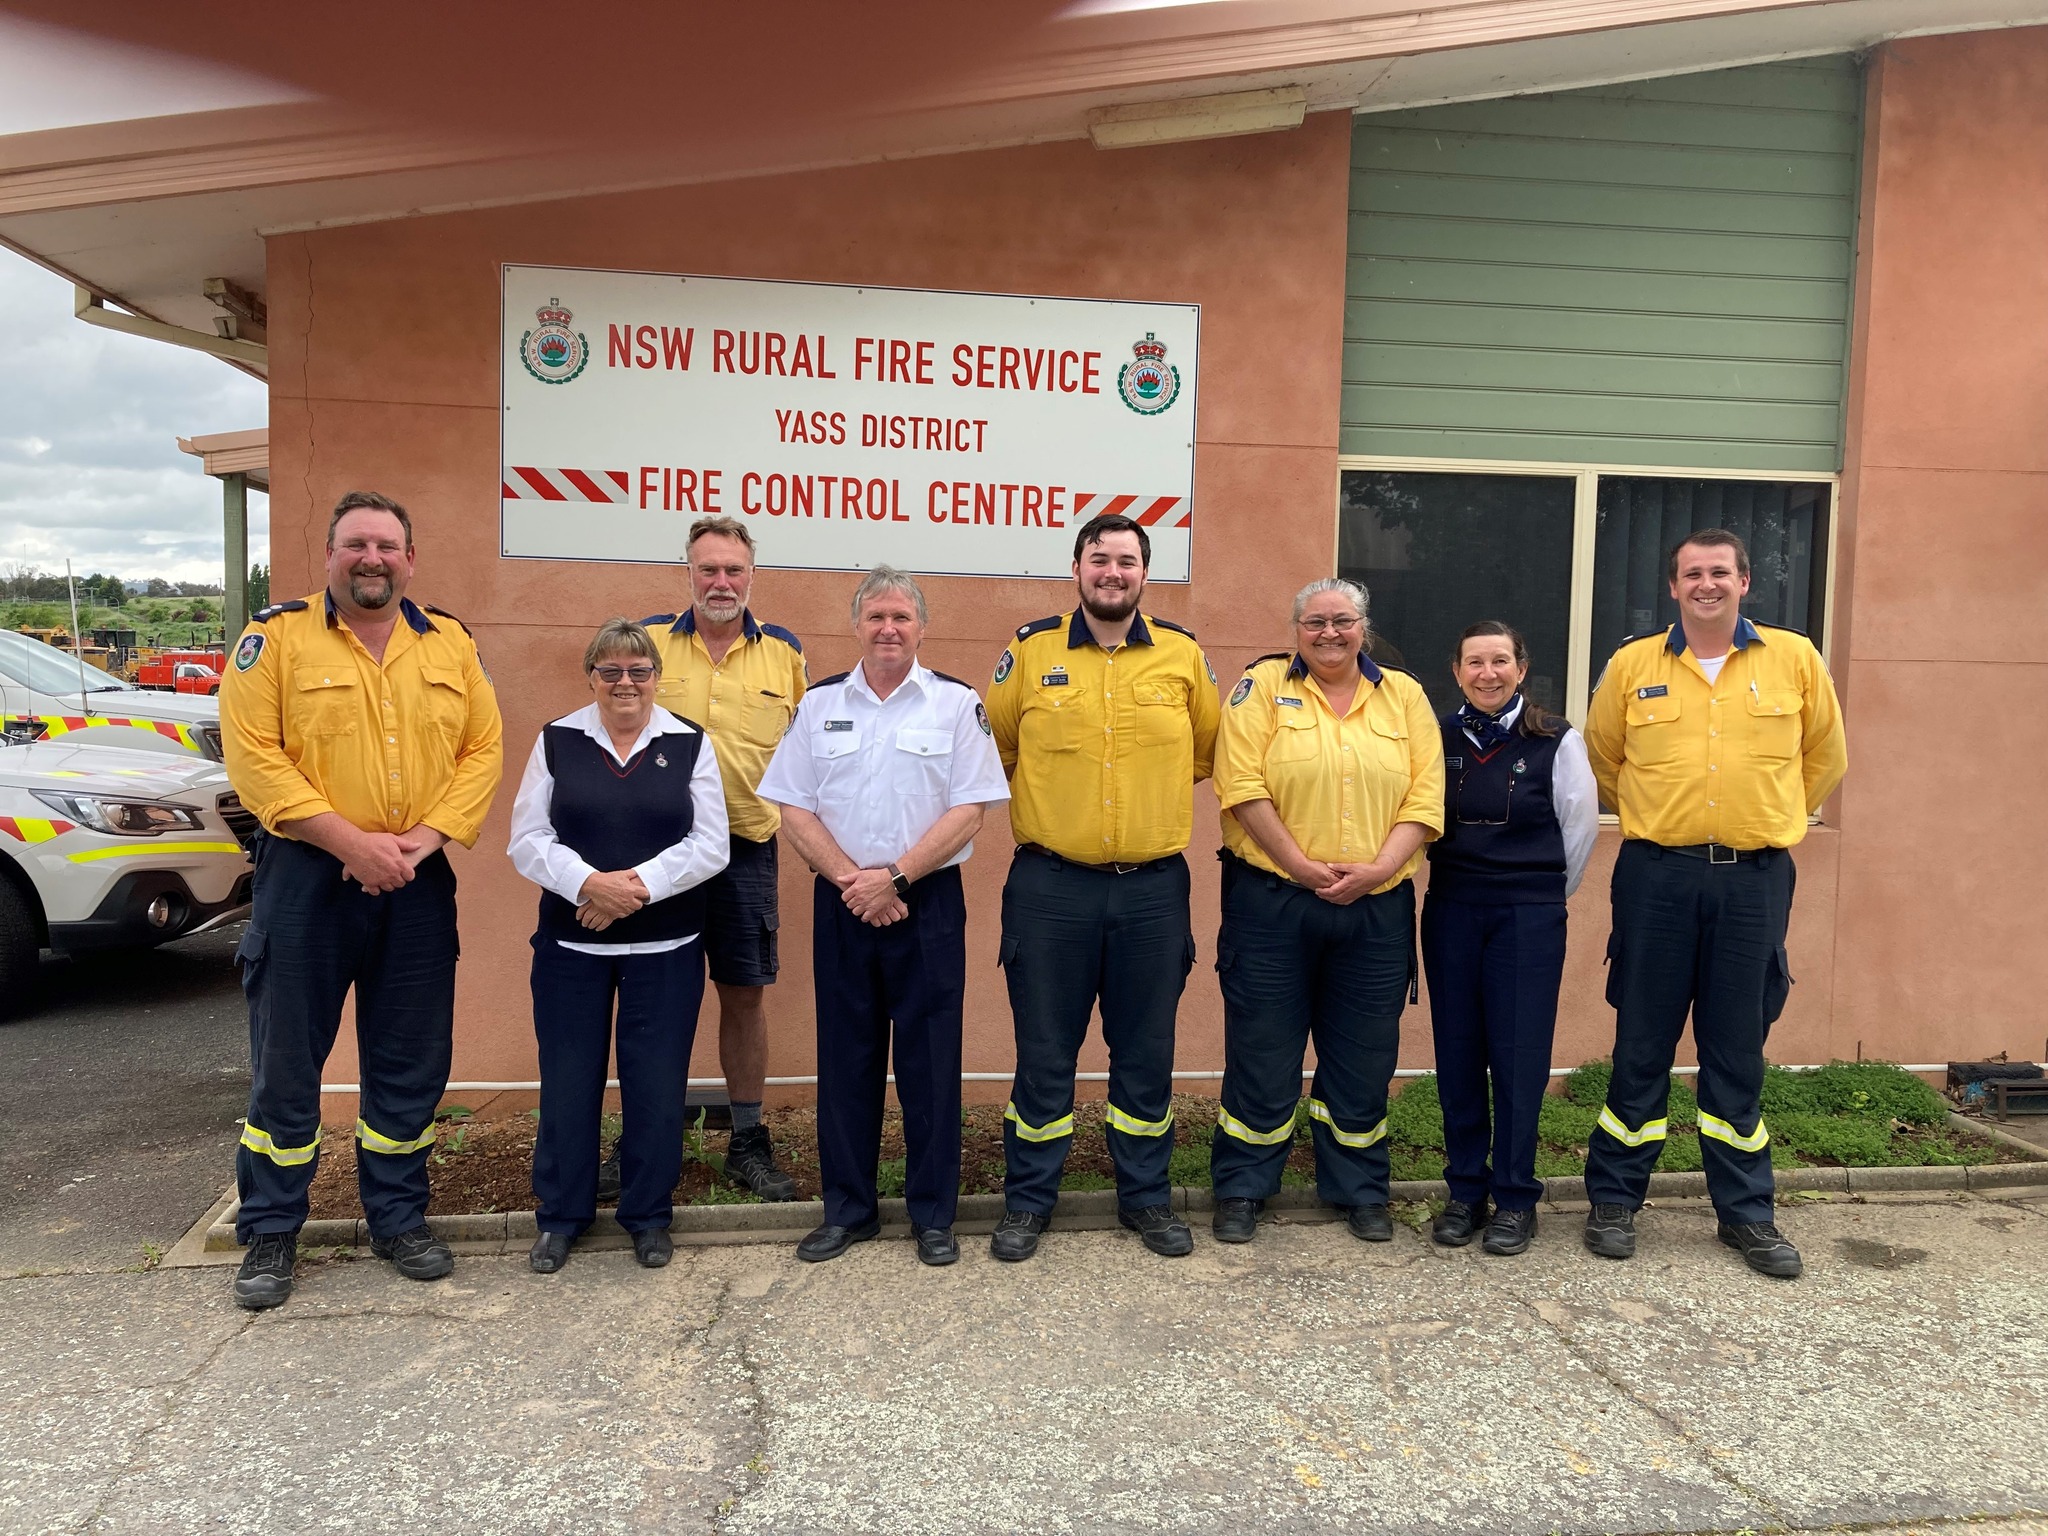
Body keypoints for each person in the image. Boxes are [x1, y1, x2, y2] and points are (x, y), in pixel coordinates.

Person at [218, 490, 503, 1310]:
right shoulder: (274, 639)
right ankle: (271, 1229)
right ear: (330, 556)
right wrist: (352, 843)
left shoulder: (449, 642)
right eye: (355, 545)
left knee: (409, 1058)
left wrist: (423, 840)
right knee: (286, 1061)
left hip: (416, 876)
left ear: (409, 559)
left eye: (385, 545)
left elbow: (483, 748)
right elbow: (255, 758)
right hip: (306, 877)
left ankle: (398, 1219)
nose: (371, 558)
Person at [1581, 528, 1846, 1278]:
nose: (1707, 584)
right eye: (1693, 573)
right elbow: (1604, 758)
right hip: (1657, 876)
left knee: (1736, 1047)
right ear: (1673, 586)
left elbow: (1825, 758)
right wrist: (1663, 817)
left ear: (1744, 581)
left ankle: (1747, 1214)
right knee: (1642, 1042)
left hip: (1753, 880)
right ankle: (1614, 1201)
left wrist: (1767, 816)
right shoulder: (1634, 664)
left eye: (1720, 572)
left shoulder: (1795, 658)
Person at [983, 513, 1220, 1262]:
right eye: (1099, 559)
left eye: (1126, 560)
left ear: (1145, 573)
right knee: (1044, 1052)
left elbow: (1206, 752)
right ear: (1077, 568)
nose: (1112, 572)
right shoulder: (1030, 651)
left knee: (1145, 1052)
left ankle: (1146, 1199)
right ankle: (1028, 1203)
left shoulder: (1182, 655)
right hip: (1050, 888)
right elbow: (998, 748)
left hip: (1152, 891)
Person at [757, 568, 1009, 1266]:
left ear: (922, 627)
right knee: (846, 1058)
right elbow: (792, 806)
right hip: (844, 900)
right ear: (856, 626)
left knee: (931, 1062)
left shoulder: (956, 704)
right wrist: (856, 881)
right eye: (876, 617)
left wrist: (894, 878)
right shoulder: (819, 705)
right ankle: (849, 1210)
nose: (888, 629)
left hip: (926, 902)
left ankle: (933, 1215)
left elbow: (971, 809)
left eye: (901, 617)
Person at [1207, 578, 1444, 1245]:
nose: (1329, 633)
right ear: (1296, 629)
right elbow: (1241, 785)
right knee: (1262, 1048)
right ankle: (1243, 1187)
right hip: (1273, 902)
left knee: (1364, 1054)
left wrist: (1379, 869)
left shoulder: (1404, 695)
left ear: (1364, 627)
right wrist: (1300, 866)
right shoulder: (1261, 688)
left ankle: (1359, 1188)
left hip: (1376, 906)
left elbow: (1426, 796)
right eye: (1315, 622)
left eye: (1343, 621)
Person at [508, 619, 729, 1273]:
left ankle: (648, 1215)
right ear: (591, 677)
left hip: (667, 947)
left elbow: (711, 843)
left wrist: (634, 889)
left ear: (657, 677)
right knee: (568, 1083)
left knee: (656, 1087)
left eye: (638, 670)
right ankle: (561, 1217)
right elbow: (528, 838)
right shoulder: (557, 740)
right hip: (571, 949)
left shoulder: (690, 743)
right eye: (610, 670)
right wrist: (588, 884)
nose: (625, 682)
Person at [1420, 622, 1598, 1257]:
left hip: (1527, 914)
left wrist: (1538, 893)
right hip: (1452, 908)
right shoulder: (1437, 735)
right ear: (1457, 671)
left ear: (1521, 668)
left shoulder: (1556, 739)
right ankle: (1465, 1191)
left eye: (1500, 661)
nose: (1487, 673)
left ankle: (1516, 1198)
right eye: (1474, 662)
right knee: (1459, 1052)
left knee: (1519, 1055)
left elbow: (1579, 830)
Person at [641, 516, 806, 1200]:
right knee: (654, 998)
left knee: (743, 994)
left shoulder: (784, 656)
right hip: (658, 856)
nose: (720, 582)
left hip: (745, 851)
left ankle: (746, 1140)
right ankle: (645, 1139)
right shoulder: (648, 644)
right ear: (688, 573)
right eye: (708, 569)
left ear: (751, 576)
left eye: (733, 570)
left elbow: (805, 757)